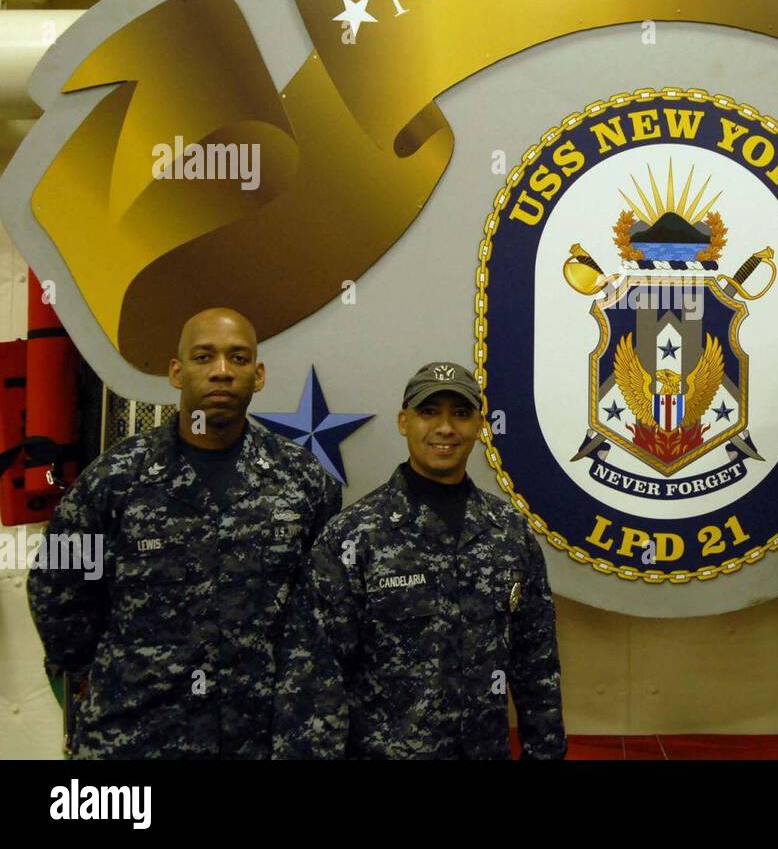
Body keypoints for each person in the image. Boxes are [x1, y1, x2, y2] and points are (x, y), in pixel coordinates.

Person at [27, 307, 341, 758]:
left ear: (258, 375)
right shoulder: (112, 481)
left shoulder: (303, 481)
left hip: (257, 738)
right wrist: (119, 672)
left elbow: (323, 614)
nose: (221, 372)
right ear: (177, 372)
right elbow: (57, 591)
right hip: (137, 736)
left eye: (237, 358)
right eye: (203, 357)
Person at [273, 361, 566, 759]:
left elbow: (537, 665)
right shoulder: (354, 536)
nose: (445, 428)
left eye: (460, 414)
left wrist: (544, 752)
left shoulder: (509, 532)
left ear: (480, 425)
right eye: (429, 412)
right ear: (403, 421)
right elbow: (316, 678)